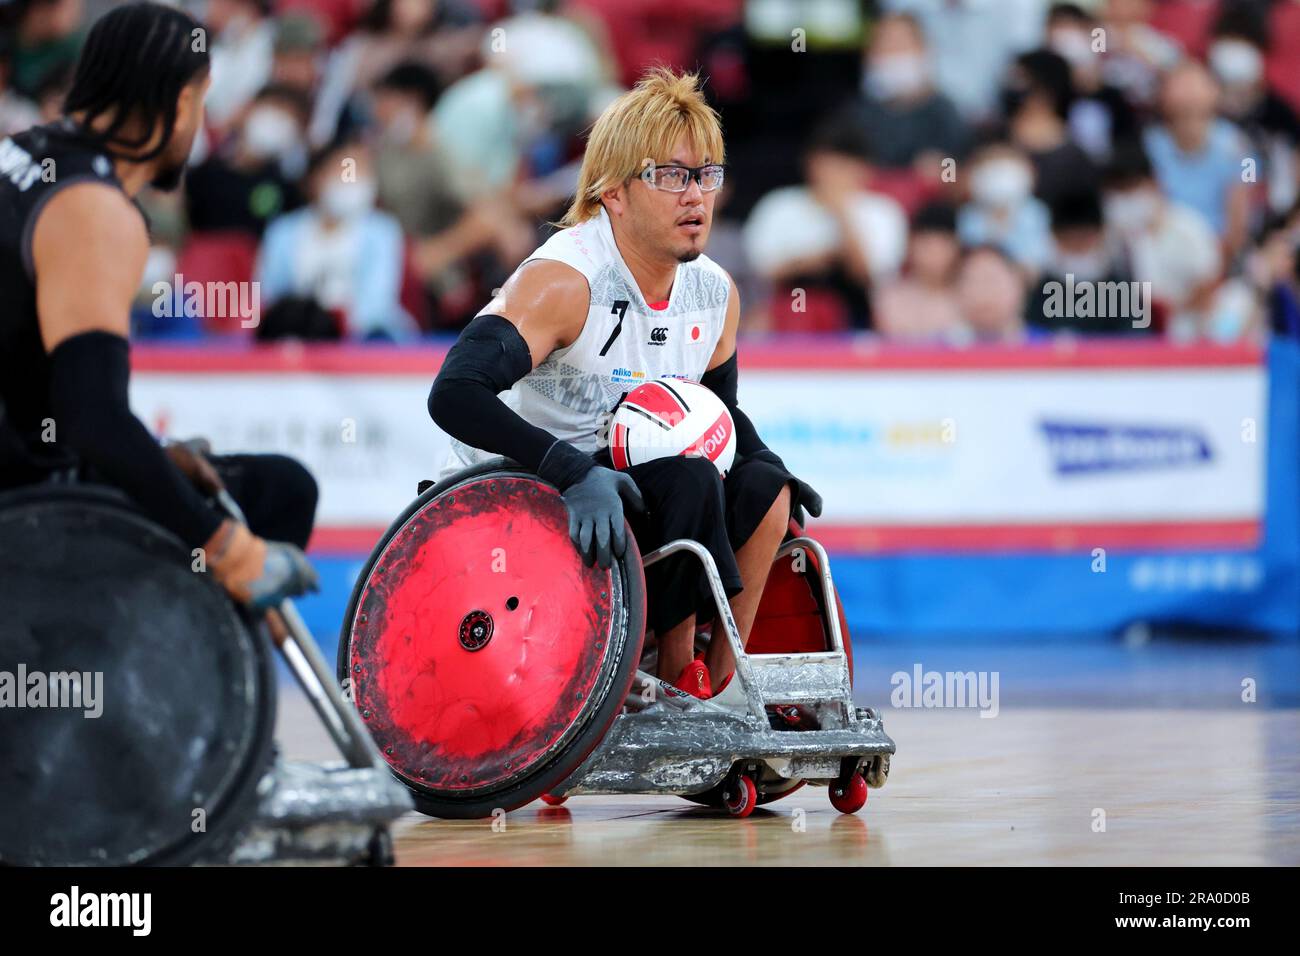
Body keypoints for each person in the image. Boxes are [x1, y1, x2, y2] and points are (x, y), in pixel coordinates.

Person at [427, 68, 821, 700]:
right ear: (613, 192)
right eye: (670, 175)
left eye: (705, 175)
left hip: (631, 477)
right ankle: (669, 674)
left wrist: (766, 460)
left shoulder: (715, 292)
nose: (694, 196)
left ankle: (719, 683)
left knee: (765, 488)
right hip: (522, 481)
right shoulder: (564, 282)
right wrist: (571, 471)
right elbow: (454, 394)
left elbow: (718, 411)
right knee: (689, 478)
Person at [0, 2, 317, 610]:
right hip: (30, 505)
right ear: (178, 105)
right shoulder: (94, 210)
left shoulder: (20, 154)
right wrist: (228, 549)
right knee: (280, 490)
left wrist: (159, 461)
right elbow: (91, 417)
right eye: (201, 101)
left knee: (192, 476)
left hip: (25, 461)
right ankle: (147, 692)